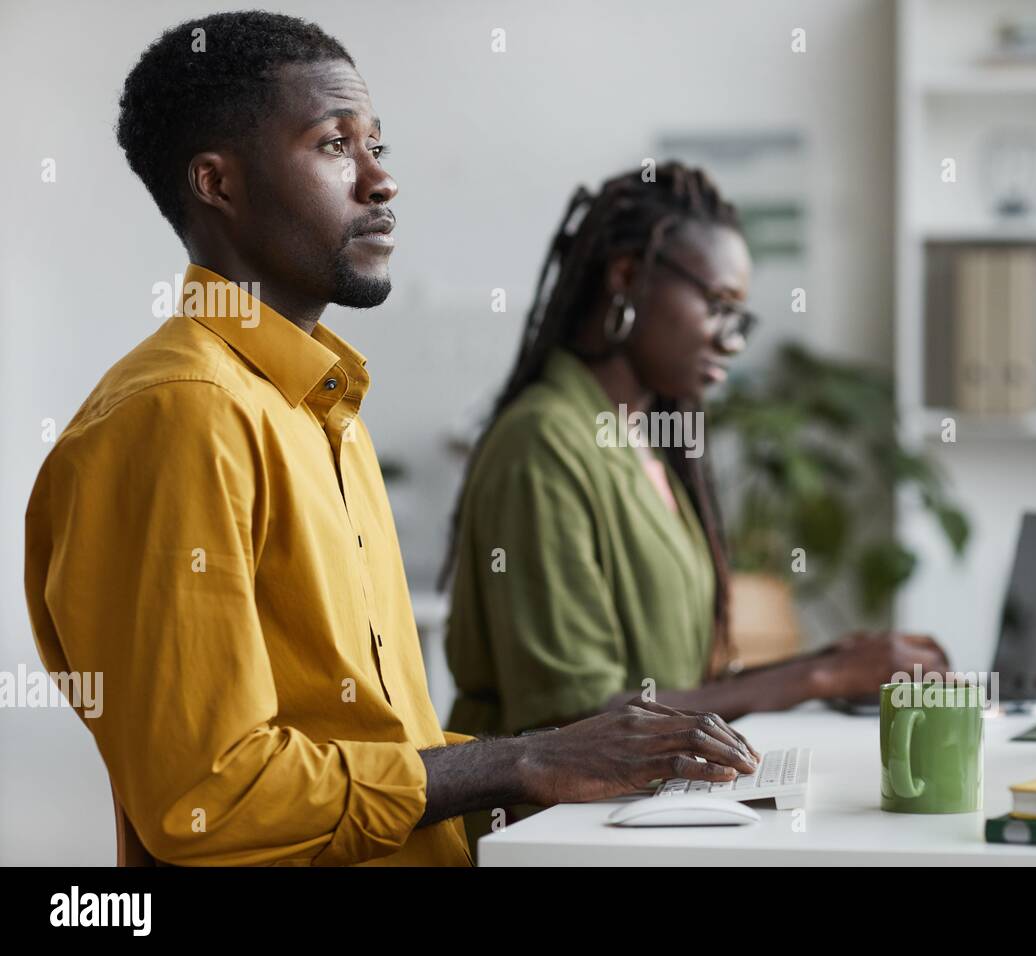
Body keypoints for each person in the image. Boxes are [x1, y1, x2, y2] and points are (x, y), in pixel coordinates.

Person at [23, 11, 757, 868]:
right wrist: (522, 758)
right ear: (217, 184)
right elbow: (209, 796)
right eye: (337, 145)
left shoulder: (324, 412)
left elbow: (377, 742)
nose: (382, 182)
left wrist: (565, 761)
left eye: (380, 147)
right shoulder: (175, 416)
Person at [443, 163, 950, 738]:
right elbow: (571, 718)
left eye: (740, 318)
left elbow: (668, 680)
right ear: (628, 275)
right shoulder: (542, 446)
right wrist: (820, 677)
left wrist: (827, 663)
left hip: (638, 809)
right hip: (539, 822)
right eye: (717, 305)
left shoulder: (642, 444)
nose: (731, 341)